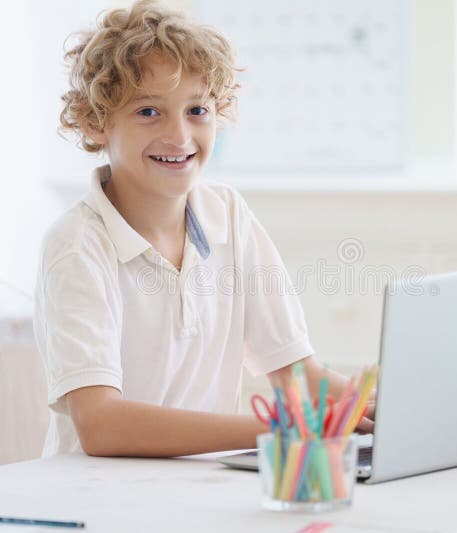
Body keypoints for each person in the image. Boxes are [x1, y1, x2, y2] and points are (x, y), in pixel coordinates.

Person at [34, 0, 374, 458]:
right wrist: (275, 428)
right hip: (103, 506)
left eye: (197, 110)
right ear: (97, 122)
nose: (179, 135)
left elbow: (297, 376)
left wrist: (372, 407)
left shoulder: (227, 215)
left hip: (201, 492)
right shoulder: (77, 247)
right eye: (149, 112)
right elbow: (101, 424)